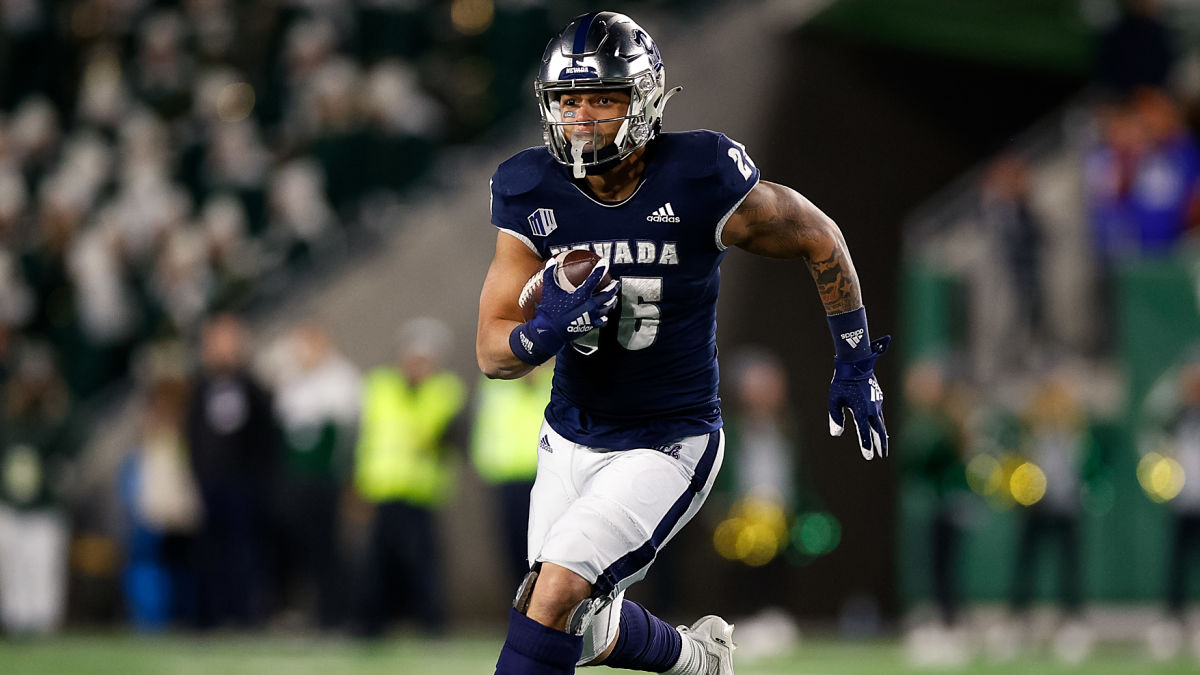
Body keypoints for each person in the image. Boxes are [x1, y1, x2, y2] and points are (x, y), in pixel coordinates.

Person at [475, 12, 889, 675]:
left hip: (668, 437)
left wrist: (854, 356)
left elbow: (818, 235)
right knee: (574, 628)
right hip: (571, 434)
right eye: (569, 100)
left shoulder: (699, 174)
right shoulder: (530, 189)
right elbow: (492, 351)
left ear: (643, 100)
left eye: (602, 97)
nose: (582, 118)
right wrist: (544, 330)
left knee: (551, 597)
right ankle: (698, 658)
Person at [353, 317, 466, 637]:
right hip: (381, 489)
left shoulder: (445, 391)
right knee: (376, 565)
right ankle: (371, 626)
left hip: (422, 492)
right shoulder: (380, 386)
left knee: (423, 565)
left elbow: (446, 437)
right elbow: (365, 438)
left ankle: (431, 625)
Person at [470, 365, 554, 590]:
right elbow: (485, 427)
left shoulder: (555, 383)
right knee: (514, 548)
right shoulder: (495, 387)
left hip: (548, 480)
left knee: (549, 550)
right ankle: (522, 604)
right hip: (506, 480)